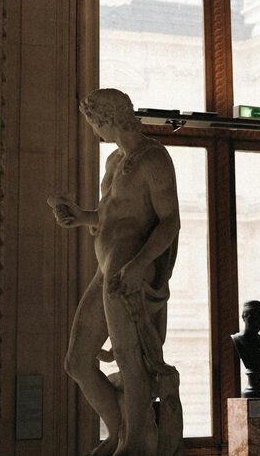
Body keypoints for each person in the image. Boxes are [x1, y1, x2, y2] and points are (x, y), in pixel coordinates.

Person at [48, 88, 182, 456]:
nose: (94, 131)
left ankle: (136, 441)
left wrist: (139, 266)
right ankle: (120, 430)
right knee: (77, 361)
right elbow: (110, 216)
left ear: (108, 117)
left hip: (129, 270)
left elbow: (170, 222)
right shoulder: (113, 163)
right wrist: (80, 216)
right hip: (107, 269)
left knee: (129, 357)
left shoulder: (154, 159)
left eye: (94, 122)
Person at [231, 300, 260, 398]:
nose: (256, 323)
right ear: (243, 318)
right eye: (252, 318)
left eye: (259, 318)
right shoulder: (237, 340)